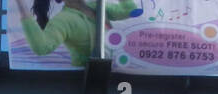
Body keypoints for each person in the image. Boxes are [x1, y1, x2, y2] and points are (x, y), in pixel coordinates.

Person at [13, 0, 141, 68]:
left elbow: (129, 10)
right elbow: (42, 47)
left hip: (117, 69)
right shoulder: (63, 20)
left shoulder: (98, 6)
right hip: (86, 77)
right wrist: (23, 9)